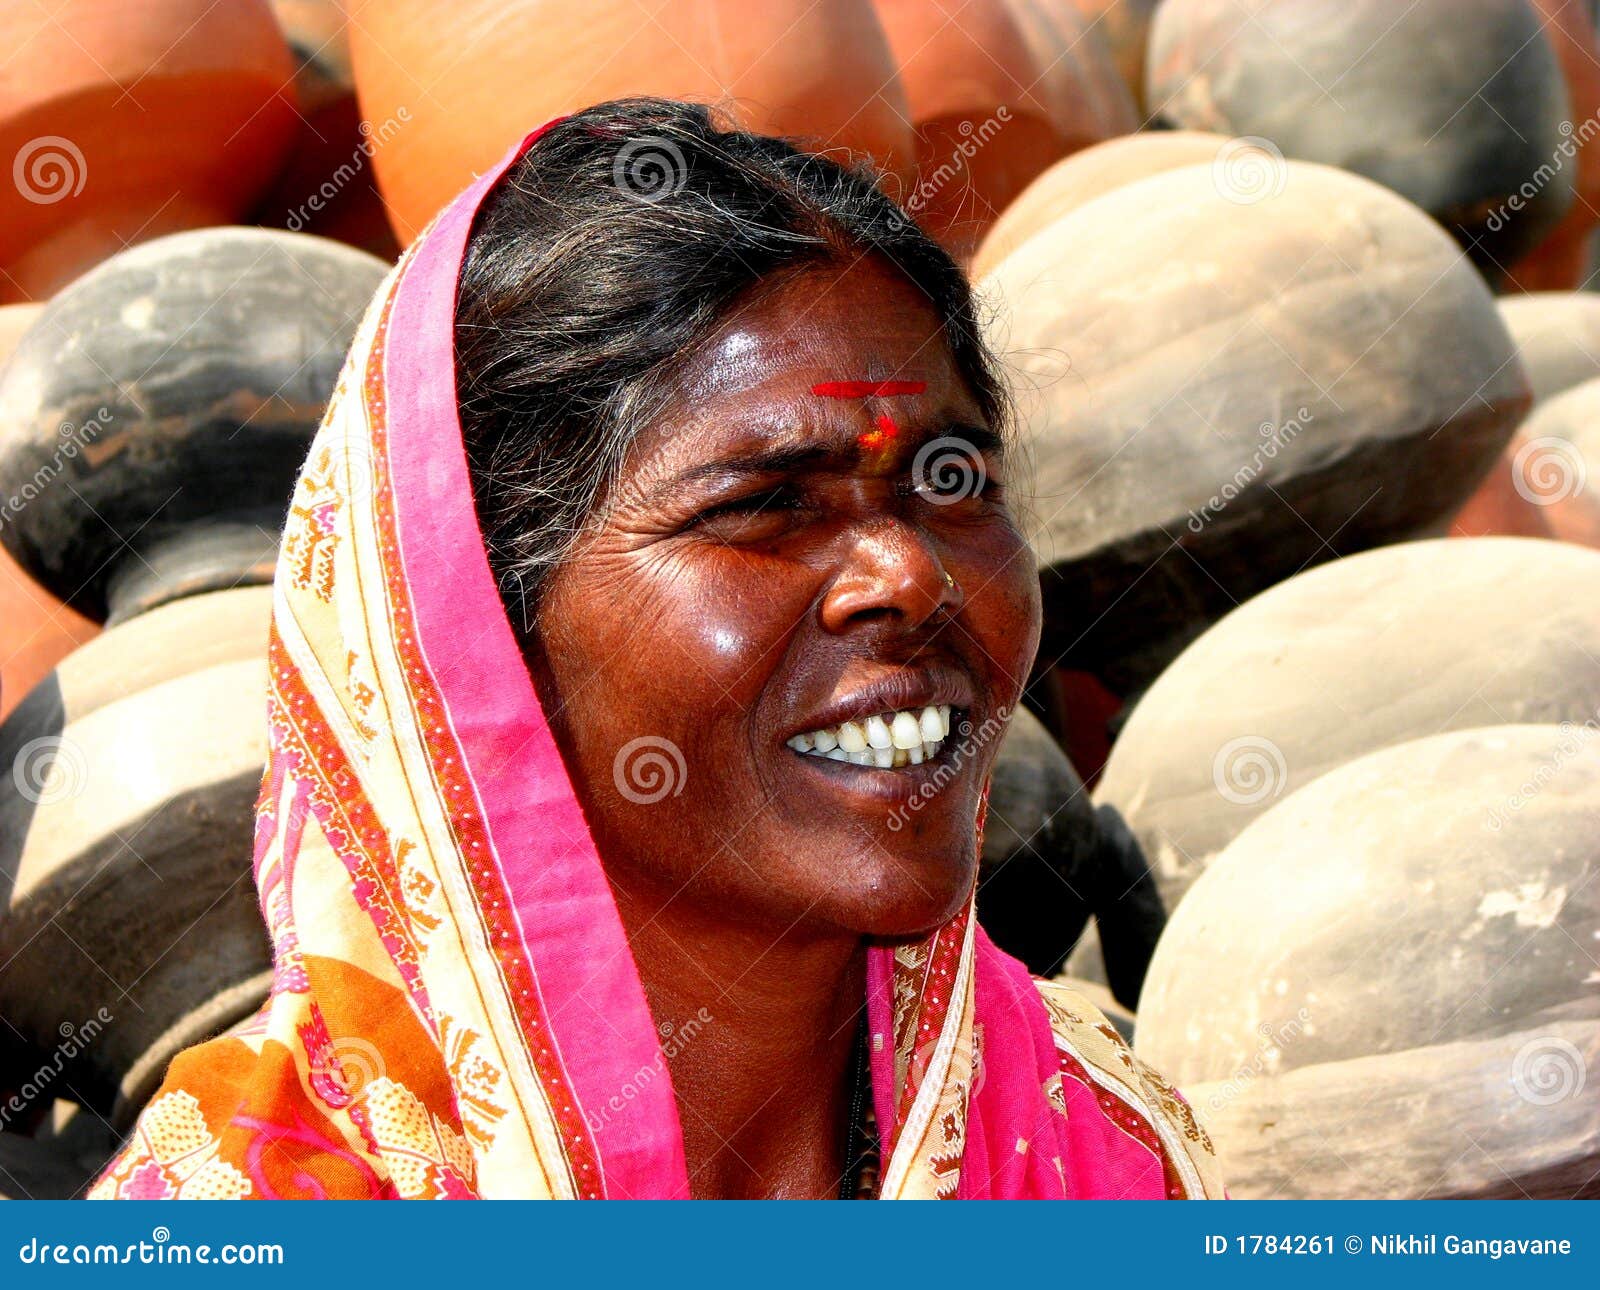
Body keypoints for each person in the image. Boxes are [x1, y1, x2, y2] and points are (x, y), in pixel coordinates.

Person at [92, 99, 1222, 1200]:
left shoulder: (1096, 1150)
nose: (912, 578)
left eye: (953, 481)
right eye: (765, 504)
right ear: (480, 626)